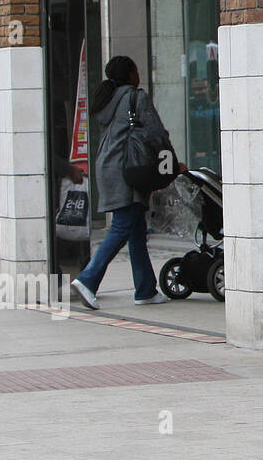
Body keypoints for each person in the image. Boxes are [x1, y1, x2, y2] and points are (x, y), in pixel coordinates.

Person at [70, 56, 183, 310]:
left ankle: (145, 290)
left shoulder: (106, 99)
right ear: (130, 73)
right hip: (128, 169)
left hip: (108, 166)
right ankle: (87, 280)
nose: (138, 74)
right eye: (136, 69)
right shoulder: (135, 96)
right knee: (122, 226)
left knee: (135, 231)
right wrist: (173, 164)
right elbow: (155, 133)